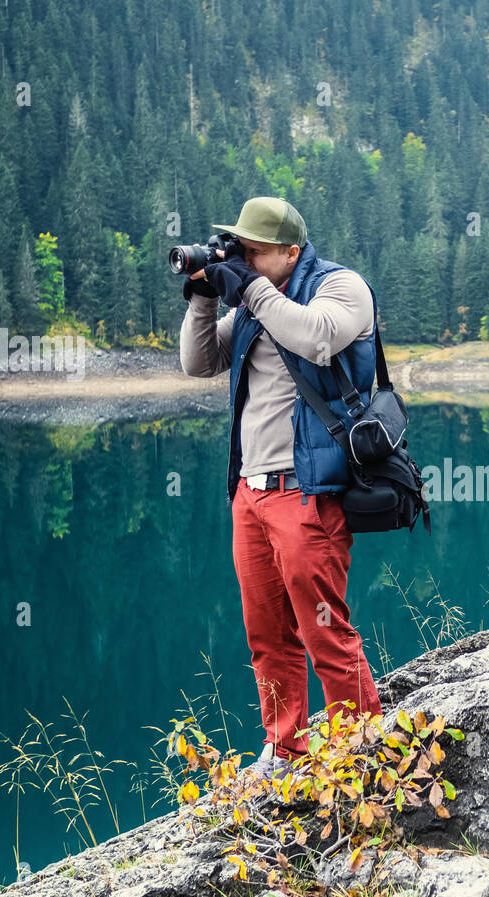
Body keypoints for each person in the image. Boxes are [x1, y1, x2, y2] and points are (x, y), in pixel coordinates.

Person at [179, 196, 383, 781]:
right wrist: (204, 295)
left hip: (308, 491)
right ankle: (285, 745)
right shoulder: (250, 301)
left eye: (255, 251)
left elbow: (317, 339)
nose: (242, 258)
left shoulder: (340, 288)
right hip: (250, 493)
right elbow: (199, 363)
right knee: (267, 633)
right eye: (237, 250)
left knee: (323, 627)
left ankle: (359, 746)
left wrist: (251, 291)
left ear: (291, 251)